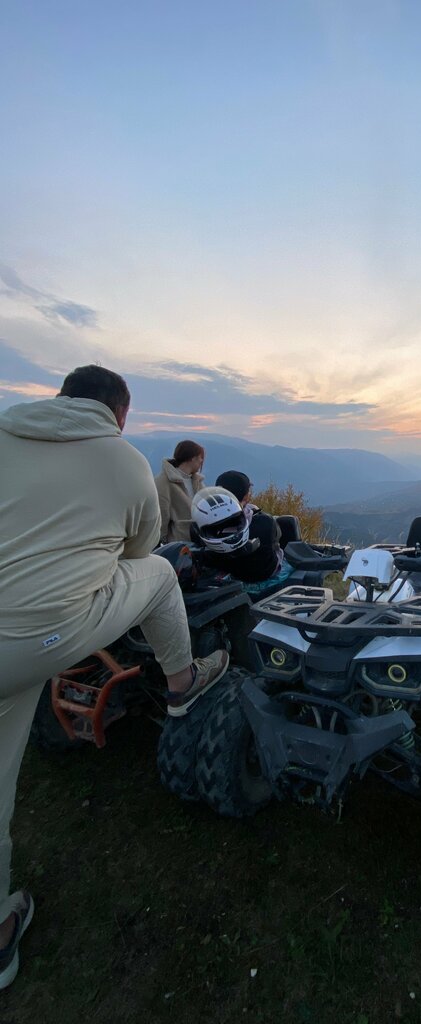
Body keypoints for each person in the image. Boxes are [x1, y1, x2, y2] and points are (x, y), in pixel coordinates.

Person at [0, 365, 229, 990]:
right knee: (156, 576)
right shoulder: (125, 462)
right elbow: (138, 552)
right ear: (119, 414)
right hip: (40, 631)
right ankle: (183, 682)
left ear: (60, 397)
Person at [203, 470, 283, 582]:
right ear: (245, 496)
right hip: (261, 575)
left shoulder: (204, 523)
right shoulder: (264, 522)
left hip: (222, 571)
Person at [154, 439, 205, 543]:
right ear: (192, 458)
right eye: (201, 457)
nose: (201, 461)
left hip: (200, 542)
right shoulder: (164, 481)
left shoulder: (197, 481)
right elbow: (161, 514)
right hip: (177, 546)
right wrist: (160, 543)